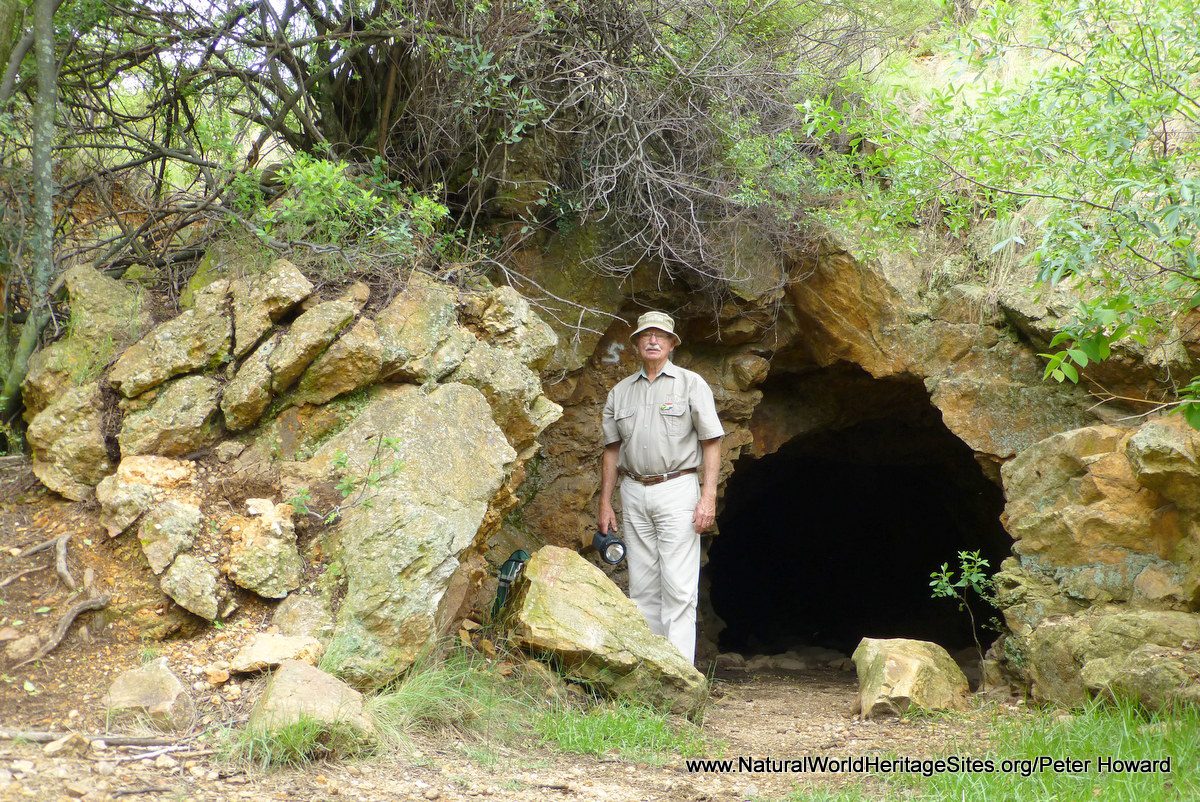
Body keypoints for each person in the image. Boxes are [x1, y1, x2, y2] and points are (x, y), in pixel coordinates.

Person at [598, 311, 724, 664]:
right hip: (633, 491)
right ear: (636, 343)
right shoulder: (619, 393)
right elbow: (611, 450)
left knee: (679, 588)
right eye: (646, 335)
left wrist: (707, 497)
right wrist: (605, 503)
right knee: (642, 587)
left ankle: (679, 673)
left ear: (671, 344)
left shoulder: (690, 384)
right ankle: (651, 671)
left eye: (660, 336)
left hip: (677, 488)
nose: (653, 340)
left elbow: (711, 442)